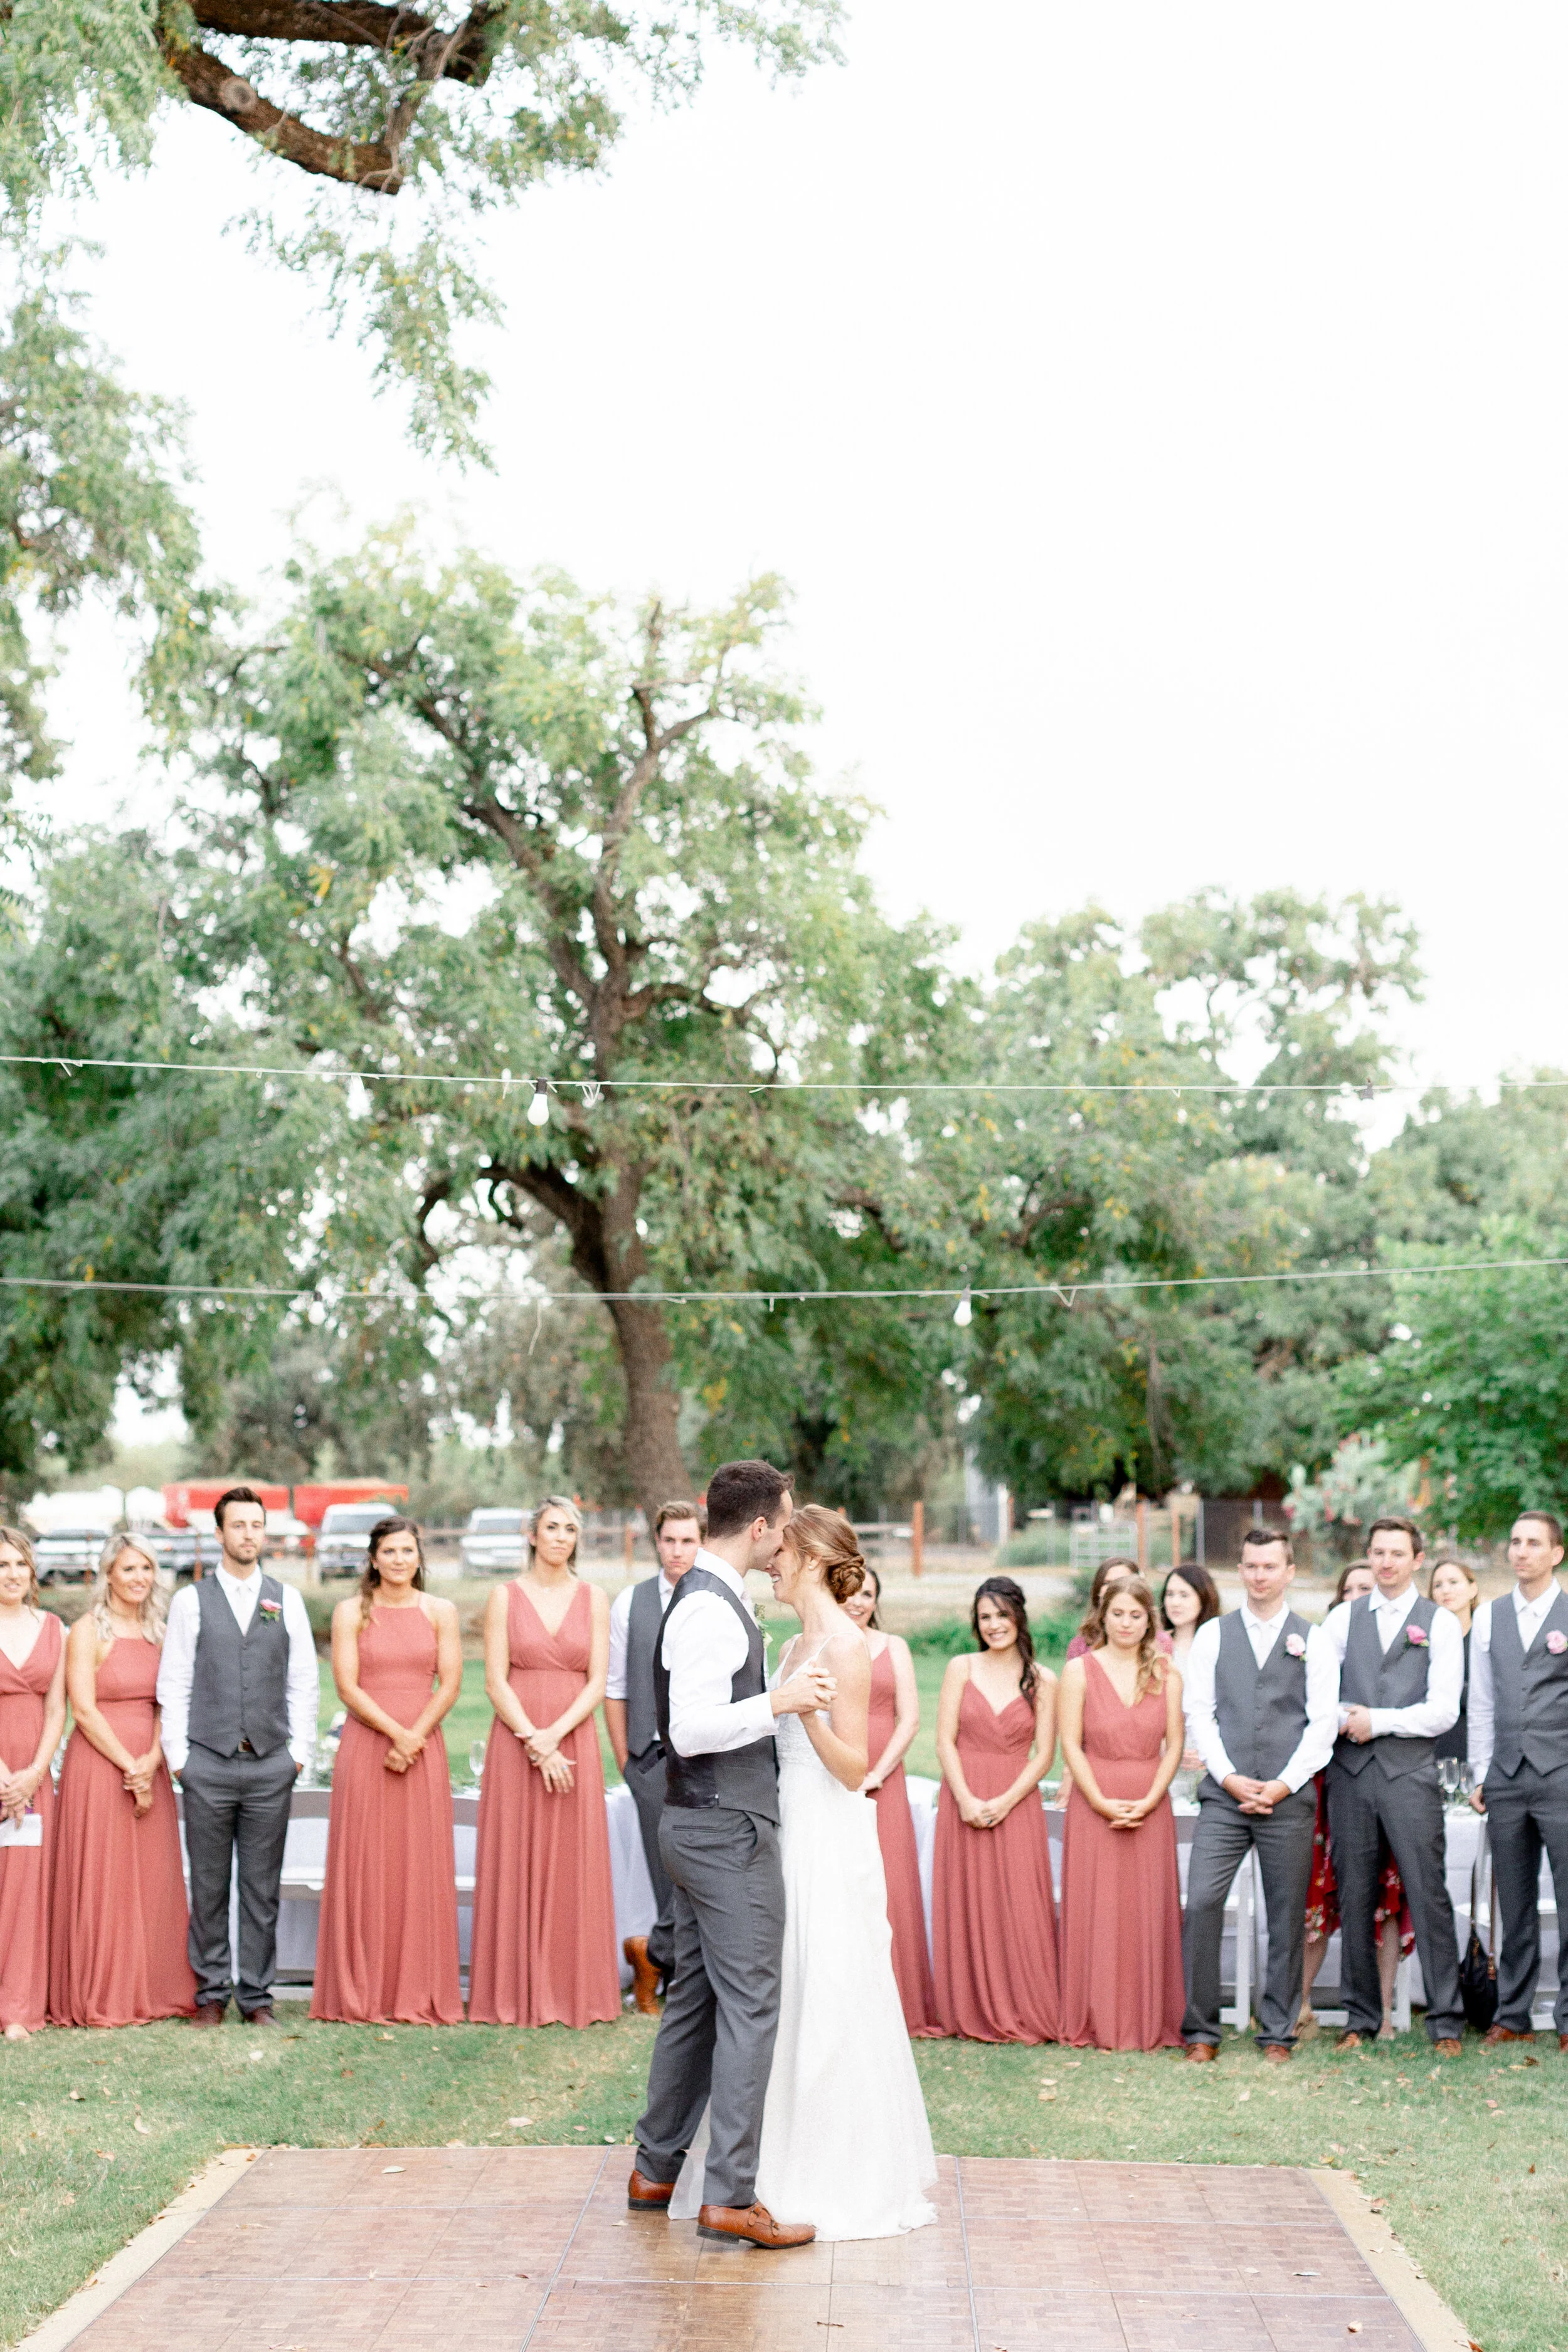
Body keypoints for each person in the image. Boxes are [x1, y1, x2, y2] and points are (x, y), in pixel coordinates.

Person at [669, 1506, 937, 2240]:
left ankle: (828, 2174)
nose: (770, 1562)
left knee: (827, 1992)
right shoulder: (791, 1644)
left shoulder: (847, 1647)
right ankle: (761, 2169)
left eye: (780, 1551)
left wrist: (809, 1716)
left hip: (829, 1836)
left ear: (813, 1557)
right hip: (779, 1830)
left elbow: (854, 1771)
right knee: (775, 2000)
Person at [630, 1459, 829, 2251]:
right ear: (757, 1527)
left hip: (695, 1825)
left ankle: (655, 2166)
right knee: (751, 2004)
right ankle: (733, 2195)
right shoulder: (711, 1609)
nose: (785, 1537)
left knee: (697, 2002)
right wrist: (779, 1700)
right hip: (724, 1832)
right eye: (781, 1524)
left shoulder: (706, 1597)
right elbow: (692, 1730)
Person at [156, 1485, 317, 2026]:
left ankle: (257, 1997)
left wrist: (298, 1755)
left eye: (256, 1525)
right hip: (209, 1763)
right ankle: (210, 1994)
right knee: (207, 1886)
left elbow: (304, 1682)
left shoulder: (285, 1598)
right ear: (220, 1533)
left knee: (261, 1888)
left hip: (271, 1764)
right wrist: (181, 1759)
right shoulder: (189, 1601)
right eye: (239, 1526)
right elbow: (174, 1683)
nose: (249, 1535)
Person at [1179, 1527, 1338, 2063]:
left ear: (1289, 1572)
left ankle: (1277, 2031)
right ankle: (1201, 2030)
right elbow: (1200, 1714)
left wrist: (1282, 1784)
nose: (1260, 1575)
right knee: (1201, 1901)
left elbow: (1322, 1725)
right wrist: (1227, 1778)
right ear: (1240, 1570)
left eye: (1270, 1566)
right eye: (1250, 1566)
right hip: (1224, 1798)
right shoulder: (1213, 1637)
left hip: (1287, 1799)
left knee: (1287, 1914)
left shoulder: (1312, 1640)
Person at [469, 1495, 618, 2028]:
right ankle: (513, 1989)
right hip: (517, 1742)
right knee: (517, 1854)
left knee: (572, 1861)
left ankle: (572, 1988)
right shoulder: (504, 1597)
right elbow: (494, 1680)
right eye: (552, 1528)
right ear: (532, 1535)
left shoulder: (595, 1598)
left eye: (571, 1530)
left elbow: (598, 1681)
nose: (561, 1537)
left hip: (572, 1740)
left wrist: (555, 1738)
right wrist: (534, 1739)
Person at [311, 1518, 463, 2024]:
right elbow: (347, 1687)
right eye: (389, 1551)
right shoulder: (351, 1611)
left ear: (419, 1557)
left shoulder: (440, 1611)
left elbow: (450, 1684)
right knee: (366, 1863)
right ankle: (363, 1990)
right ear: (373, 1559)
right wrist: (396, 1735)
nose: (399, 1559)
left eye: (407, 1551)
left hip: (423, 1747)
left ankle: (418, 1987)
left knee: (418, 1863)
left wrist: (414, 1735)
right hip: (368, 1747)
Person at [1323, 1515, 1465, 2053]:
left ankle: (1447, 2021)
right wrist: (1343, 1718)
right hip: (1351, 1775)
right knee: (1355, 1896)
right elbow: (1319, 1696)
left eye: (1397, 1553)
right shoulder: (1342, 1618)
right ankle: (1359, 2019)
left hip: (1410, 1776)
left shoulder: (1441, 1624)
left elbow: (1442, 1710)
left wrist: (1376, 1720)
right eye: (1378, 1552)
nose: (1386, 1562)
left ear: (1417, 1560)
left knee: (1429, 1896)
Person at [50, 1536, 196, 2027]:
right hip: (98, 1766)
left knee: (152, 1880)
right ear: (108, 1573)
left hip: (150, 1763)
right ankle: (103, 1989)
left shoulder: (160, 1631)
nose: (140, 1578)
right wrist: (128, 1765)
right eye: (130, 1568)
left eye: (147, 1569)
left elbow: (168, 1702)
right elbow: (83, 1709)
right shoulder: (88, 1630)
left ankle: (155, 1987)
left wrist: (152, 1758)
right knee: (104, 1878)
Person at [1057, 1575, 1186, 2049]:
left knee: (1146, 1911)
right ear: (1102, 1616)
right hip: (1096, 1802)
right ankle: (1094, 2016)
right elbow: (1069, 1743)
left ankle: (1150, 2016)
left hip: (1150, 1801)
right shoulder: (1079, 1671)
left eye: (1136, 1615)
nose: (1127, 1624)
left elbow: (1175, 1744)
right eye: (1118, 1614)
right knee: (1098, 1909)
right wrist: (1097, 1800)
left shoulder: (1167, 1672)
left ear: (1149, 1620)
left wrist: (1152, 1799)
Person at [931, 1576, 1059, 2043]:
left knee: (1020, 1905)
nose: (993, 1625)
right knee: (967, 1900)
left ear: (1019, 1616)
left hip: (1016, 1799)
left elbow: (1044, 1754)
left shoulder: (1044, 1679)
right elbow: (944, 1741)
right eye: (985, 1617)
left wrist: (1004, 1802)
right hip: (963, 1794)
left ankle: (1025, 2005)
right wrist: (966, 1798)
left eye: (1002, 1615)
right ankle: (967, 2008)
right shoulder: (960, 1668)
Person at [1301, 1560, 1414, 2042]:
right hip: (1327, 1780)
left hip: (1388, 1776)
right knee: (1317, 1895)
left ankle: (1383, 2012)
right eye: (1347, 1588)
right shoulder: (1320, 1646)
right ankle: (1300, 2005)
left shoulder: (1404, 1647)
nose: (1355, 1596)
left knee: (1384, 1900)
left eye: (1364, 1588)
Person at [1468, 1509, 1568, 2050]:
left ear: (1557, 1553)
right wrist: (1484, 1769)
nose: (1521, 1551)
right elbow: (1481, 1701)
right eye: (1515, 1542)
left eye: (1534, 1543)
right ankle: (1513, 2013)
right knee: (1515, 1901)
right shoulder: (1489, 1618)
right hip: (1506, 1776)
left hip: (1563, 1776)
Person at [605, 1500, 705, 2015]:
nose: (678, 1550)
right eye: (670, 1540)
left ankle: (669, 1963)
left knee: (701, 1866)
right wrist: (626, 1759)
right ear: (657, 1542)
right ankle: (668, 1974)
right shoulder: (631, 1602)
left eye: (688, 1541)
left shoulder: (719, 1597)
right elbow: (615, 1688)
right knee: (661, 1869)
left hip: (708, 1758)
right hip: (649, 1760)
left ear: (701, 1543)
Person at [843, 1562, 941, 2033]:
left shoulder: (893, 1647)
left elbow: (910, 1719)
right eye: (851, 1592)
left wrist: (878, 1773)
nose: (859, 1601)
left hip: (886, 1783)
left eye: (868, 1594)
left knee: (891, 1883)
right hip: (836, 1781)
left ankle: (899, 2000)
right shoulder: (823, 1646)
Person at [0, 1528, 65, 2038]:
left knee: (25, 1892)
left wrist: (32, 1775)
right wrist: (4, 1777)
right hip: (1, 1774)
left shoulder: (53, 1627)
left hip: (34, 1774)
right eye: (3, 1565)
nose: (13, 1574)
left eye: (21, 1563)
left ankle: (18, 2008)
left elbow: (56, 1708)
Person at [1162, 1563, 1221, 1774]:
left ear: (1203, 1598)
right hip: (1161, 1755)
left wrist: (1207, 1753)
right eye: (1170, 1594)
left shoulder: (1219, 1646)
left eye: (1184, 1595)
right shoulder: (1154, 1647)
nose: (1175, 1602)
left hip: (1209, 1758)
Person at [1066, 1557, 1175, 1661]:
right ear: (1098, 1589)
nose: (1114, 1588)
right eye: (1107, 1583)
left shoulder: (1161, 1642)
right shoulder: (1080, 1645)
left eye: (1122, 1581)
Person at [1429, 1556, 1480, 1766]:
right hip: (1434, 1746)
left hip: (1476, 1740)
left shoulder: (1486, 1637)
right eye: (1438, 1585)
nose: (1446, 1591)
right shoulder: (1426, 1640)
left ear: (1473, 1588)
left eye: (1454, 1582)